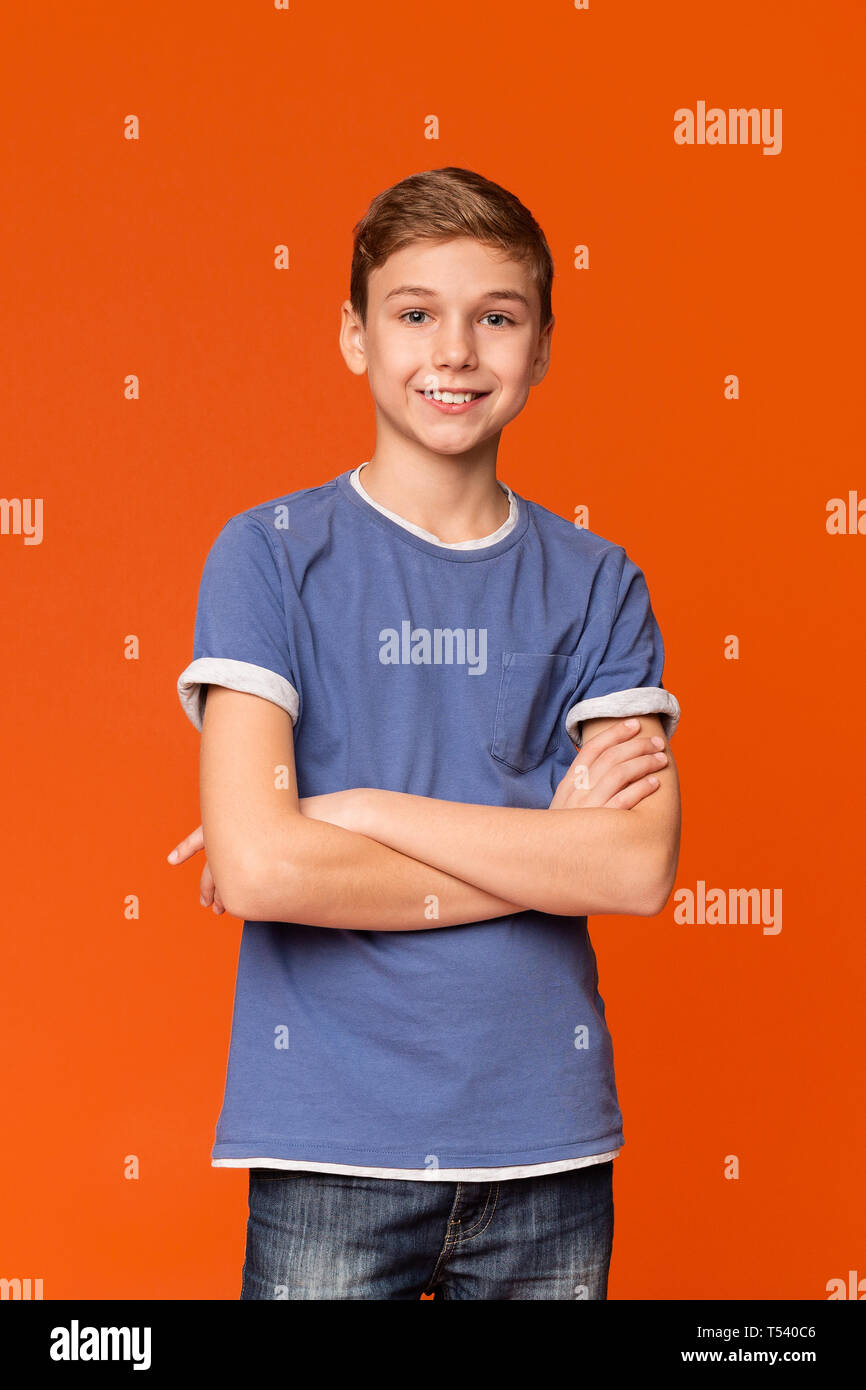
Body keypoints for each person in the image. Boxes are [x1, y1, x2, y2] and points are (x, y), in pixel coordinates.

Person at [167, 166, 682, 1301]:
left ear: (539, 348)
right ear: (354, 337)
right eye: (413, 314)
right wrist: (546, 852)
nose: (453, 352)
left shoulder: (599, 584)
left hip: (546, 1145)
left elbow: (634, 868)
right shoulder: (265, 556)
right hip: (327, 1149)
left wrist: (347, 814)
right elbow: (258, 866)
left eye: (494, 317)